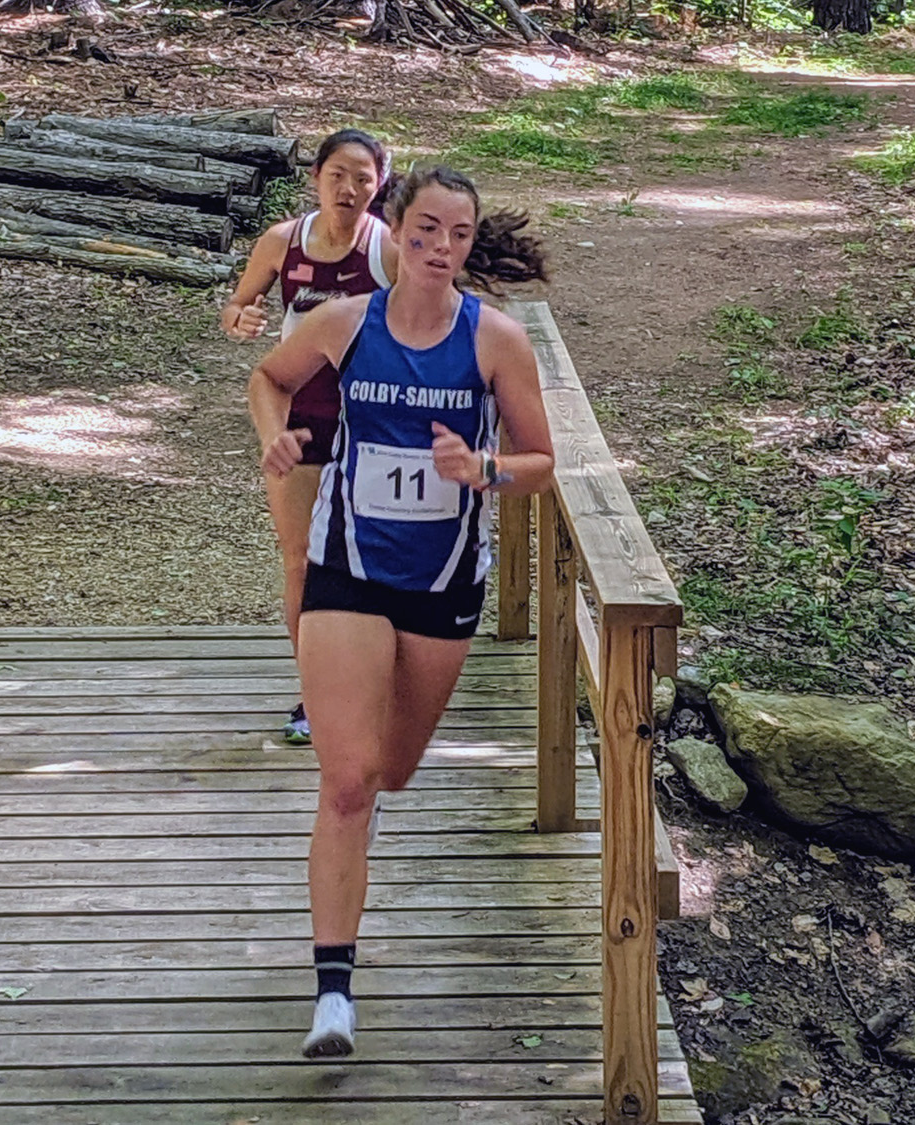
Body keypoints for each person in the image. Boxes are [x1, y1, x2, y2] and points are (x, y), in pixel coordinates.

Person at [245, 166, 552, 1060]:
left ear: (470, 244)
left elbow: (541, 460)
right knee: (346, 782)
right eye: (423, 229)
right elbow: (269, 377)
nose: (437, 248)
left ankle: (359, 803)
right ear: (397, 228)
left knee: (391, 770)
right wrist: (276, 433)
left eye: (456, 234)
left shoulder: (495, 342)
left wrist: (484, 471)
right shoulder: (345, 322)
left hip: (443, 581)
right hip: (346, 567)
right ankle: (332, 992)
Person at [221, 129, 396, 746]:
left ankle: (373, 688)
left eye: (363, 178)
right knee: (301, 562)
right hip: (300, 418)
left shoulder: (388, 250)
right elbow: (237, 309)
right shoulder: (281, 243)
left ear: (380, 185)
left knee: (372, 561)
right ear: (316, 177)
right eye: (337, 175)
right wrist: (243, 318)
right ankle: (315, 696)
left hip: (374, 425)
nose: (349, 190)